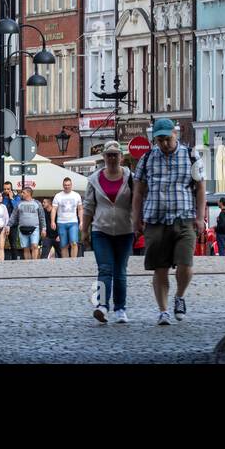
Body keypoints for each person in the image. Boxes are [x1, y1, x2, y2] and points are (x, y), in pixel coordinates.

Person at [132, 118, 205, 325]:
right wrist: (135, 219)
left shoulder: (191, 155)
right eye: (159, 140)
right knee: (160, 267)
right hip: (155, 219)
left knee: (186, 263)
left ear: (175, 134)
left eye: (167, 139)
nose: (164, 144)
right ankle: (163, 310)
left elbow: (200, 188)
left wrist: (200, 217)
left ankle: (180, 296)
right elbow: (138, 191)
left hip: (184, 218)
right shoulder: (146, 159)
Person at [83, 141, 135, 324]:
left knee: (120, 271)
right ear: (104, 157)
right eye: (109, 155)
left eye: (115, 155)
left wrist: (139, 224)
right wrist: (85, 231)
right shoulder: (94, 179)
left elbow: (137, 203)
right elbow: (88, 207)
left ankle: (120, 308)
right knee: (104, 269)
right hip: (101, 230)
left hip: (125, 230)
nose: (112, 158)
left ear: (121, 157)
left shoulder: (131, 178)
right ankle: (102, 306)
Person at [9, 186, 44, 259]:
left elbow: (42, 217)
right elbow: (13, 215)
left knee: (34, 245)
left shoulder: (37, 203)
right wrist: (8, 225)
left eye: (23, 192)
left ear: (29, 193)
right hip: (22, 229)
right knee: (26, 247)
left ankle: (34, 263)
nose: (21, 194)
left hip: (35, 228)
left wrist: (44, 228)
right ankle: (28, 264)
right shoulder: (19, 204)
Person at [53, 176, 84, 258]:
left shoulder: (76, 195)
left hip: (73, 222)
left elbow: (80, 209)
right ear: (63, 185)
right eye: (65, 185)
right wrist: (53, 221)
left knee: (74, 242)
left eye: (68, 185)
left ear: (71, 185)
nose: (67, 186)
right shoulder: (58, 196)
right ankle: (66, 263)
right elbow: (54, 209)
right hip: (61, 222)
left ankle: (73, 261)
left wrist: (81, 221)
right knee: (64, 245)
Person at [0, 182, 19, 260]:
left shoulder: (16, 197)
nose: (6, 190)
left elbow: (17, 208)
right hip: (3, 223)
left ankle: (14, 260)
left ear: (11, 189)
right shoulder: (1, 196)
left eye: (8, 189)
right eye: (4, 189)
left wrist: (11, 199)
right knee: (0, 244)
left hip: (13, 223)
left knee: (13, 244)